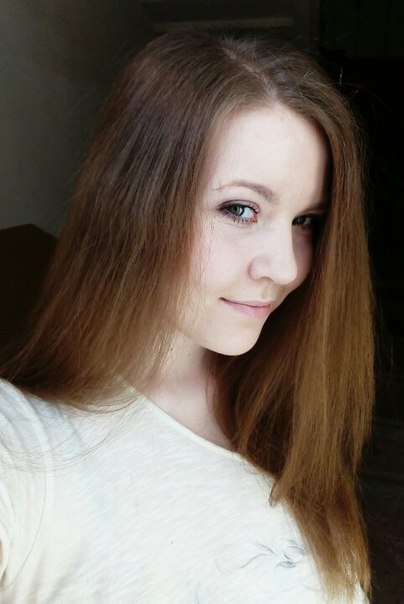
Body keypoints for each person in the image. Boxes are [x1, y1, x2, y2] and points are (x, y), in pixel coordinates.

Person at [0, 30, 373, 603]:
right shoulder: (25, 450)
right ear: (133, 203)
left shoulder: (289, 414)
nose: (285, 267)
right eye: (241, 209)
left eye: (306, 221)